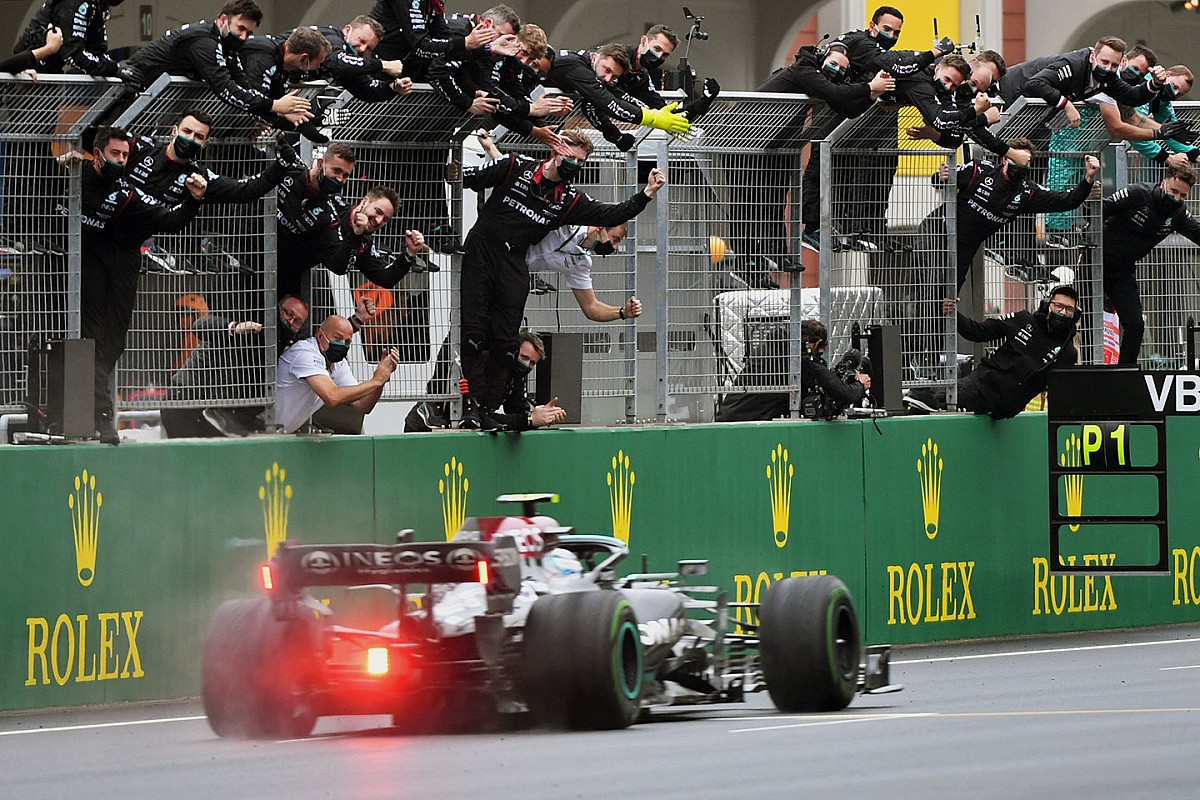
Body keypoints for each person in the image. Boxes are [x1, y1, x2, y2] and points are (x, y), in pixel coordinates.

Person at [455, 129, 665, 429]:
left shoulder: (571, 206)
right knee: (474, 335)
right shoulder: (520, 167)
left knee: (505, 342)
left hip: (514, 263)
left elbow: (613, 213)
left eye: (581, 162)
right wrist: (478, 153)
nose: (575, 165)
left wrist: (647, 193)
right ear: (556, 149)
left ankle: (494, 406)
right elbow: (493, 172)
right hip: (482, 249)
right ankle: (471, 408)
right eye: (571, 157)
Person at [80, 126, 209, 442]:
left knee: (114, 343)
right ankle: (99, 415)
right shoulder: (74, 173)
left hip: (119, 262)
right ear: (97, 154)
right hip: (79, 264)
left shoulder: (127, 193)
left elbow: (169, 221)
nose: (121, 160)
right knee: (91, 338)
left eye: (125, 155)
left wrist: (193, 200)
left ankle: (96, 408)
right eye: (115, 154)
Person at [474, 128, 639, 321]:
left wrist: (622, 312)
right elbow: (516, 176)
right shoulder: (568, 217)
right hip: (492, 248)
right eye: (616, 239)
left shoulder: (581, 263)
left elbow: (591, 307)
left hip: (512, 273)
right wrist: (491, 149)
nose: (615, 247)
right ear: (600, 226)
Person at [921, 140, 1099, 290]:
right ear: (1005, 159)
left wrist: (1088, 179)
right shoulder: (980, 169)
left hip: (966, 245)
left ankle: (938, 330)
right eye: (1017, 159)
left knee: (950, 295)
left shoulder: (1027, 191)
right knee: (934, 282)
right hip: (936, 230)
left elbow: (1066, 201)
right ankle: (918, 329)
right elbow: (942, 181)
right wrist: (941, 176)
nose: (1021, 165)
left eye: (1026, 161)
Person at [122, 0, 313, 129]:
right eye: (241, 28)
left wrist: (277, 112)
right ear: (223, 20)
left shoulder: (226, 45)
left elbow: (242, 84)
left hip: (150, 102)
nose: (244, 37)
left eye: (249, 33)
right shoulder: (204, 41)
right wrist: (274, 105)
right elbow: (226, 89)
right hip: (127, 96)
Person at [276, 143, 428, 299]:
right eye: (378, 212)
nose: (379, 221)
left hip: (285, 274)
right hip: (263, 244)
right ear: (364, 202)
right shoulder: (333, 203)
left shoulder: (363, 242)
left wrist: (410, 253)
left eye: (385, 219)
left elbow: (386, 278)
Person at [904, 288, 1081, 420]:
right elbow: (978, 332)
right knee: (923, 398)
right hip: (981, 382)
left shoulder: (1067, 354)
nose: (1063, 312)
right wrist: (953, 313)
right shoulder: (1024, 320)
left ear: (1075, 315)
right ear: (1046, 305)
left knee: (933, 399)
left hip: (1003, 403)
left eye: (1069, 309)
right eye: (1058, 306)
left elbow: (1061, 394)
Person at [1102, 163, 1200, 365]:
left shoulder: (1179, 214)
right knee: (1082, 320)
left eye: (1183, 195)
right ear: (1164, 182)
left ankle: (1124, 376)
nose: (1177, 198)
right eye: (1174, 191)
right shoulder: (1138, 193)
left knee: (1136, 325)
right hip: (1094, 266)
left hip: (1123, 272)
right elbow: (1097, 211)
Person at [520, 40, 691, 151]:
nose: (608, 78)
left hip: (539, 126)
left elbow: (607, 100)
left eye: (614, 76)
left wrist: (615, 136)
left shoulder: (594, 72)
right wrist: (653, 118)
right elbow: (606, 103)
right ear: (596, 57)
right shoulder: (576, 67)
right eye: (607, 70)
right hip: (515, 120)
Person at [409, 329, 566, 432]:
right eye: (524, 358)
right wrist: (530, 419)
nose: (526, 365)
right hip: (422, 427)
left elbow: (514, 412)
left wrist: (541, 414)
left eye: (532, 363)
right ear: (512, 351)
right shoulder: (492, 367)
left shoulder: (516, 376)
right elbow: (486, 418)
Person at [714, 320, 870, 422]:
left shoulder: (771, 346)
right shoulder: (802, 360)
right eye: (820, 352)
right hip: (747, 424)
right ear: (816, 344)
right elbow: (844, 393)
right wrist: (860, 384)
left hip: (727, 416)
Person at [275, 314, 399, 434]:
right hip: (262, 426)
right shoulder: (305, 353)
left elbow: (363, 405)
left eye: (347, 342)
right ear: (320, 335)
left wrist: (382, 379)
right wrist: (376, 381)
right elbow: (332, 397)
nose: (342, 345)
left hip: (283, 431)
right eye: (337, 338)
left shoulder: (338, 363)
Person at [12, 1, 120, 77]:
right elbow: (72, 53)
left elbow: (97, 50)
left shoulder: (96, 5)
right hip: (29, 75)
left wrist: (117, 68)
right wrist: (114, 69)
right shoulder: (73, 3)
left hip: (49, 76)